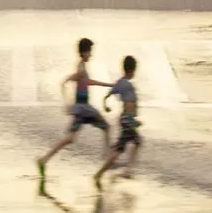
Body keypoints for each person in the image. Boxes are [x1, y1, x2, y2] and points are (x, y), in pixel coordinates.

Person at [36, 38, 113, 179]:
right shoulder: (81, 68)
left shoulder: (81, 66)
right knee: (106, 127)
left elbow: (85, 82)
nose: (91, 55)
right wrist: (66, 102)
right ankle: (106, 158)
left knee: (70, 138)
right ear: (84, 52)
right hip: (84, 107)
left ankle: (44, 159)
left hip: (80, 109)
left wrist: (107, 85)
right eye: (90, 52)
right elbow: (70, 80)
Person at [93, 55, 141, 189]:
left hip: (124, 119)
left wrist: (105, 106)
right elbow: (129, 104)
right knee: (120, 150)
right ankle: (102, 173)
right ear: (133, 70)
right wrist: (133, 121)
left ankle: (128, 170)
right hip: (127, 120)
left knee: (137, 142)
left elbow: (107, 95)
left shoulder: (120, 82)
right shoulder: (129, 86)